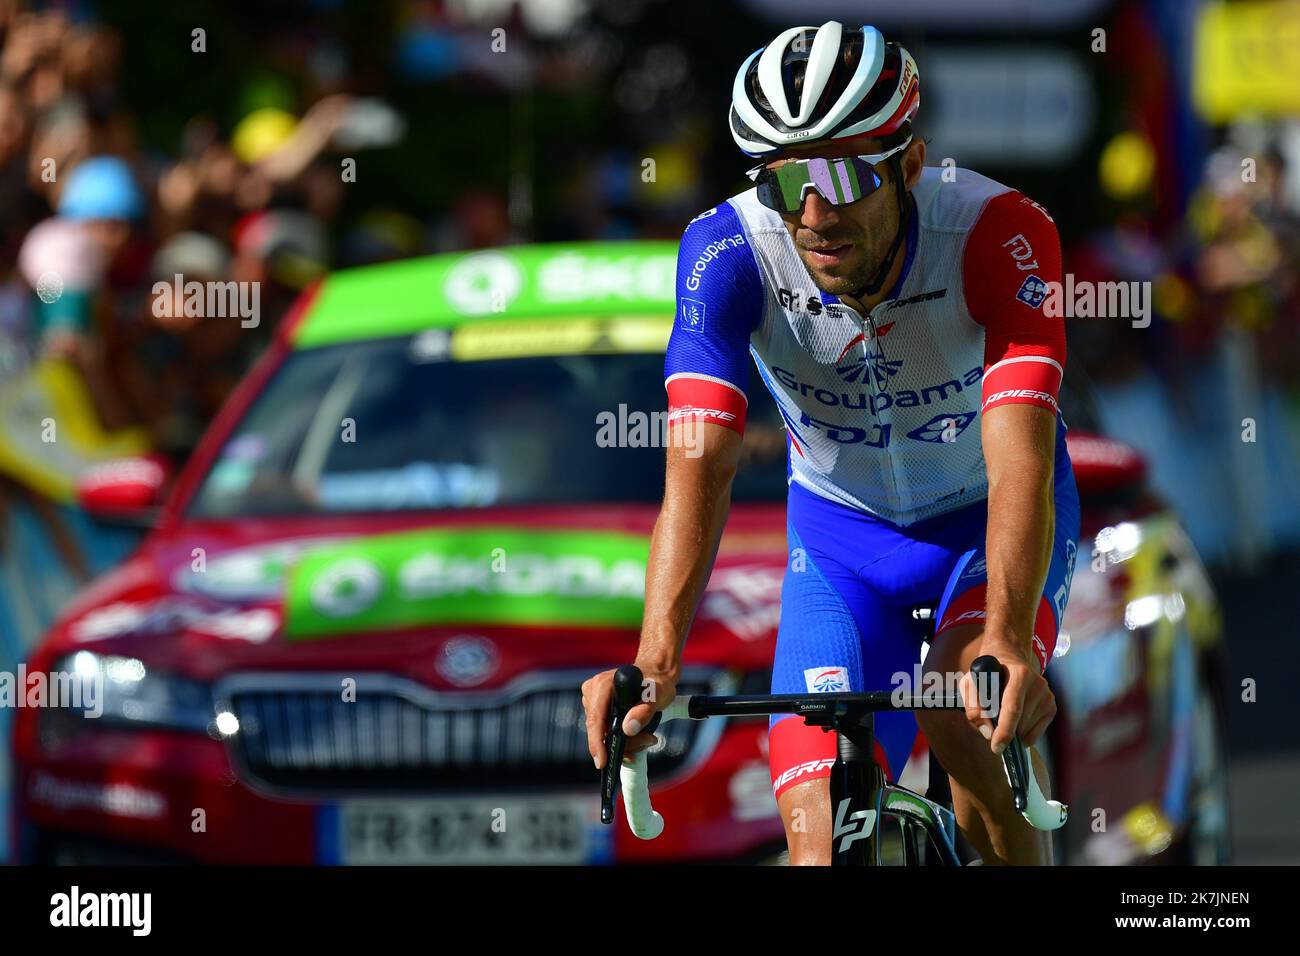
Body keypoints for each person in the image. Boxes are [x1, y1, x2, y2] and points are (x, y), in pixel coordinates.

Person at [582, 21, 1080, 865]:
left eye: (843, 176)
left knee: (962, 718)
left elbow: (1020, 460)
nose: (813, 215)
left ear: (911, 166)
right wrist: (654, 662)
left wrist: (1005, 633)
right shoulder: (727, 251)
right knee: (817, 836)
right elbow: (699, 462)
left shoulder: (998, 232)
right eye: (784, 184)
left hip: (979, 531)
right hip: (841, 547)